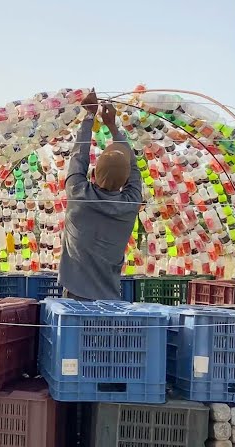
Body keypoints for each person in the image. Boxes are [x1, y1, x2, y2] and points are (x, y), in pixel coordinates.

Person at [59, 89, 143, 301]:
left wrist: (90, 115)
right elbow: (134, 168)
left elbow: (78, 156)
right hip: (110, 299)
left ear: (93, 174)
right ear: (125, 181)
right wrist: (113, 126)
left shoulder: (79, 194)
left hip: (74, 299)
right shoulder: (129, 204)